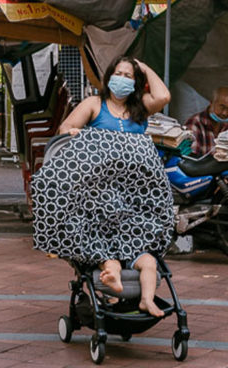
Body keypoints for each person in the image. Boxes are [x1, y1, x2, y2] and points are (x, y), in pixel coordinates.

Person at [58, 56, 171, 317]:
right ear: (109, 78)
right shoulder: (94, 105)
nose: (121, 78)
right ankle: (113, 273)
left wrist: (142, 66)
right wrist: (73, 133)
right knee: (107, 244)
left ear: (136, 83)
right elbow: (66, 127)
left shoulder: (140, 108)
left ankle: (146, 299)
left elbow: (163, 96)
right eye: (117, 73)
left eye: (128, 75)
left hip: (134, 195)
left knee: (148, 256)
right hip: (99, 192)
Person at [184, 87, 228, 156]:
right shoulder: (195, 123)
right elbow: (192, 160)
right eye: (222, 107)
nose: (225, 113)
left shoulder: (226, 126)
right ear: (211, 103)